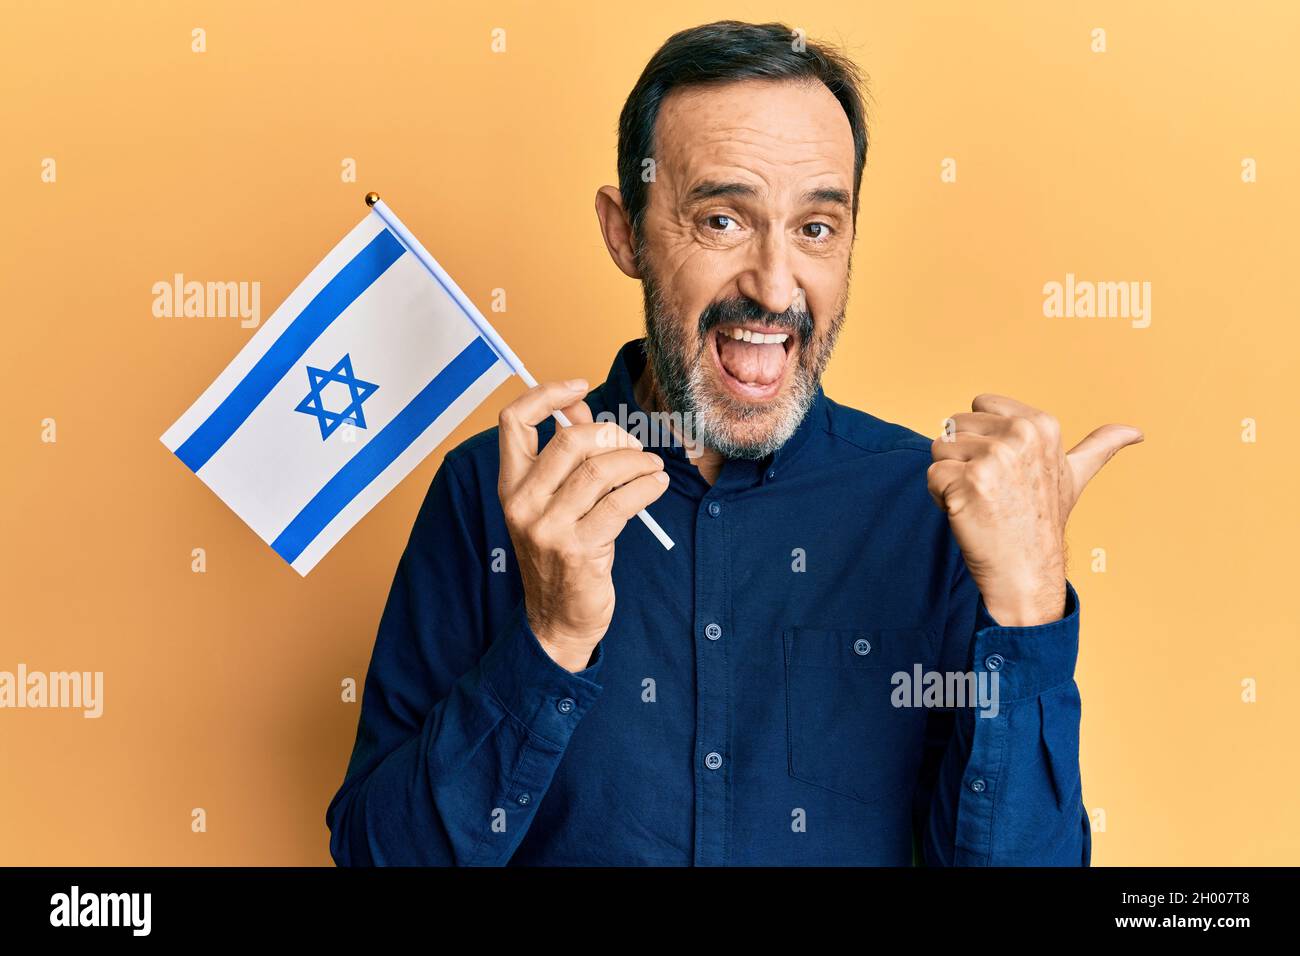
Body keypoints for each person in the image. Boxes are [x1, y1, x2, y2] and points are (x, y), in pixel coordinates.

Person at [325, 19, 1141, 866]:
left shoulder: (936, 515)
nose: (775, 284)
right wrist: (551, 640)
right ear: (625, 231)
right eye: (722, 220)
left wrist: (1029, 610)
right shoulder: (496, 493)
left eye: (817, 228)